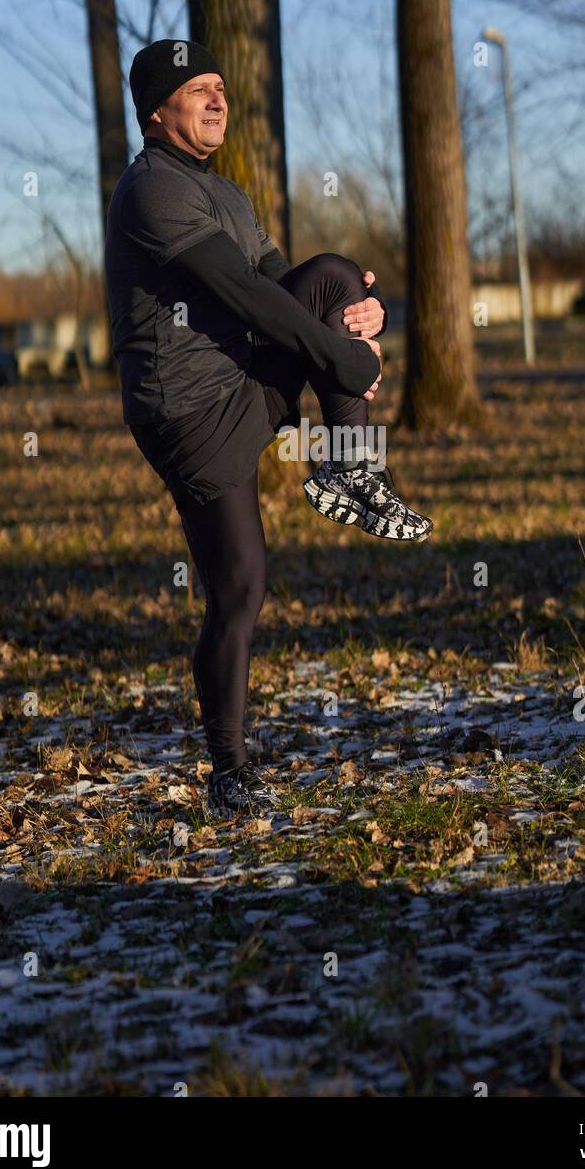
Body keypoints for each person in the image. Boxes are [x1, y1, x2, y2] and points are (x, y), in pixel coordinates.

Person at [105, 40, 432, 815]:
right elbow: (247, 299)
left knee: (335, 276)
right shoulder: (151, 190)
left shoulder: (230, 194)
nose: (219, 100)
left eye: (221, 87)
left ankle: (351, 467)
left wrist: (363, 322)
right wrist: (341, 361)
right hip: (188, 411)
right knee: (240, 589)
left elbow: (291, 295)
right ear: (156, 110)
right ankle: (228, 772)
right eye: (197, 90)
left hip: (240, 381)